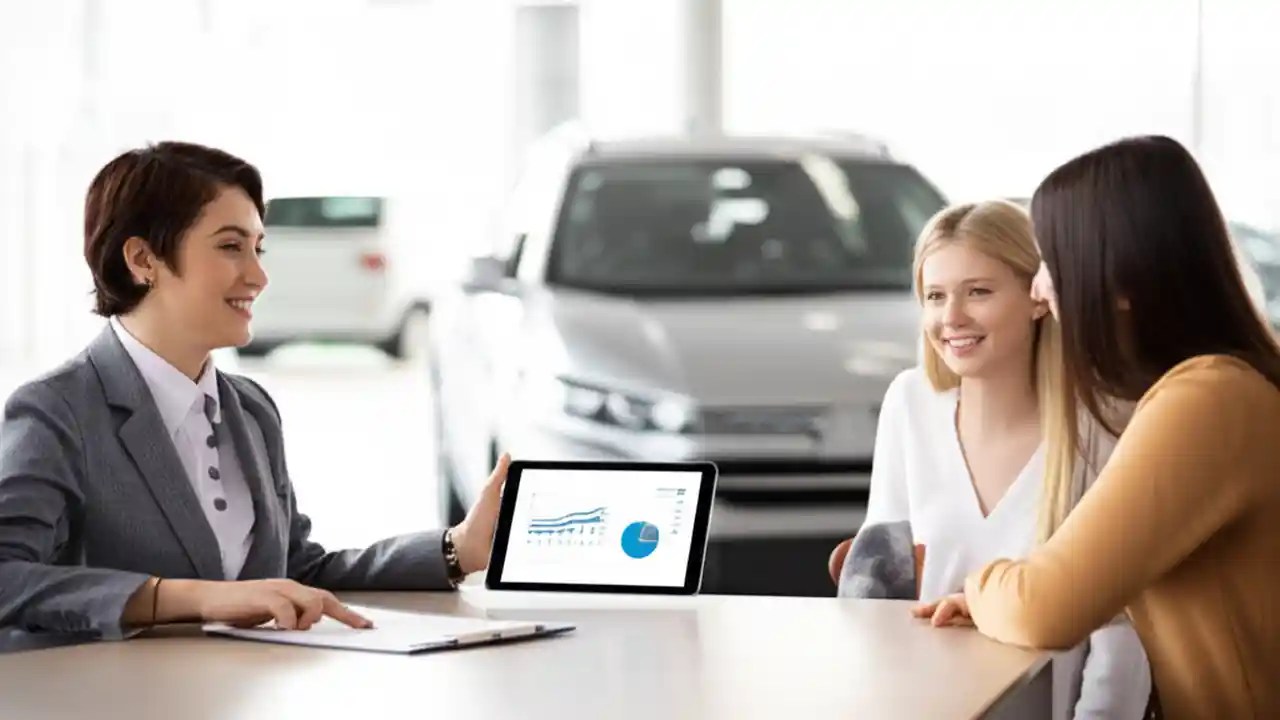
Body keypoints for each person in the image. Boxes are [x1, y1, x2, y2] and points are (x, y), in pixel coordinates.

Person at [0, 141, 508, 638]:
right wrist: (190, 598)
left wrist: (455, 549)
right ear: (143, 259)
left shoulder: (249, 409)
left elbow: (296, 572)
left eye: (257, 249)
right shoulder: (57, 410)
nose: (259, 275)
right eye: (230, 247)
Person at [916, 137, 1280, 719]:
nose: (1040, 288)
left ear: (1122, 280)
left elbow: (1045, 607)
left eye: (1054, 263)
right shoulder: (1215, 390)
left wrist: (980, 584)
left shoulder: (1208, 401)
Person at [841, 200, 1151, 718]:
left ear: (1037, 298)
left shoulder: (1106, 418)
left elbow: (1124, 625)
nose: (951, 318)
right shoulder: (910, 402)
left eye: (978, 292)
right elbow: (878, 588)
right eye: (935, 296)